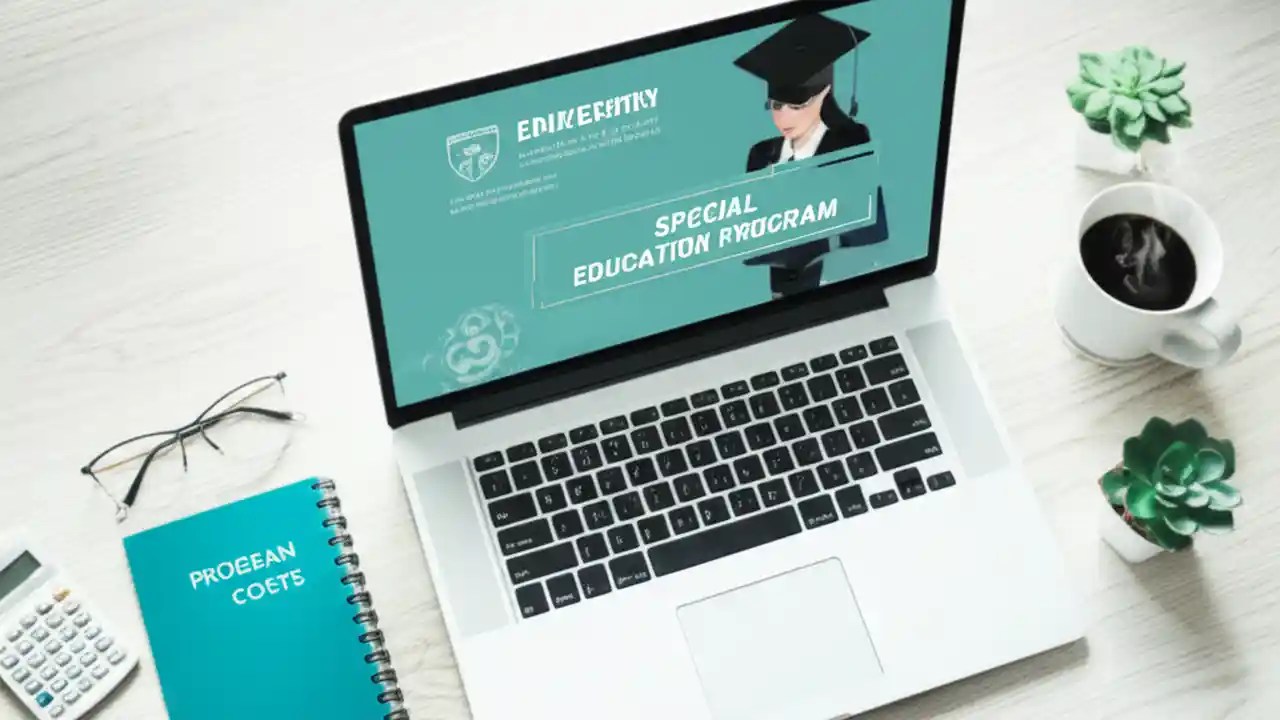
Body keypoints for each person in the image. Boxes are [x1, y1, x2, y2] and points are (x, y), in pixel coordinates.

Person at [734, 14, 890, 298]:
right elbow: (748, 240)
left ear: (823, 95)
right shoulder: (761, 155)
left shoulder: (851, 144)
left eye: (797, 105)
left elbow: (872, 228)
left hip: (837, 289)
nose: (783, 117)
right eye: (776, 104)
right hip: (778, 297)